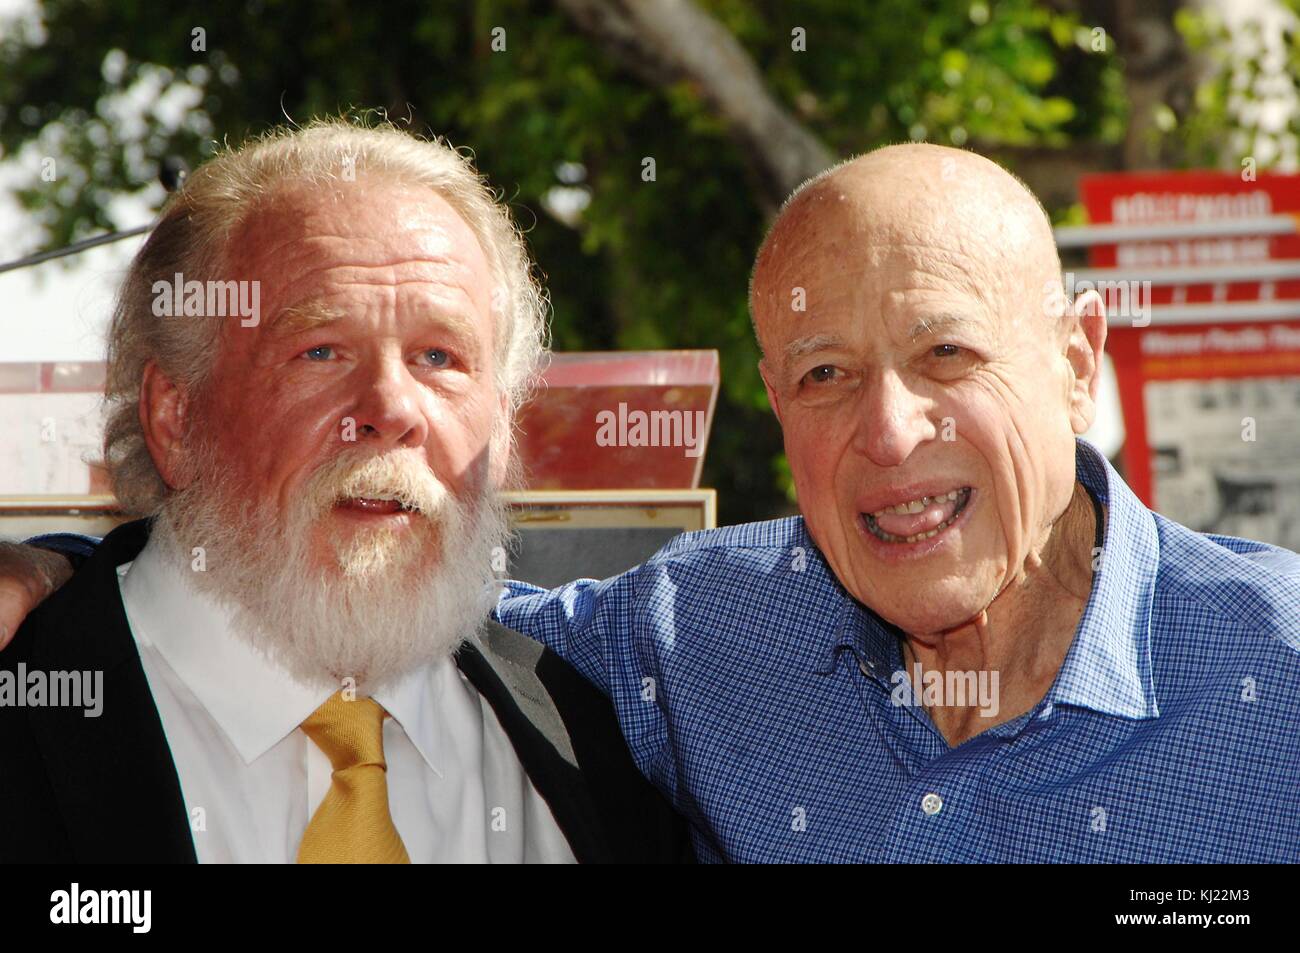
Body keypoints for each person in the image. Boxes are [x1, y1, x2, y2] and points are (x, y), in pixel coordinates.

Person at [8, 143, 1299, 863]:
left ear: (1078, 360)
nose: (890, 431)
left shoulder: (1277, 671)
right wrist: (63, 571)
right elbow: (349, 575)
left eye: (948, 352)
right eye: (825, 374)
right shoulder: (680, 643)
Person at [0, 119, 689, 863]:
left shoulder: (620, 745)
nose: (390, 409)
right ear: (176, 417)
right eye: (321, 350)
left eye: (439, 357)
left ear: (503, 424)